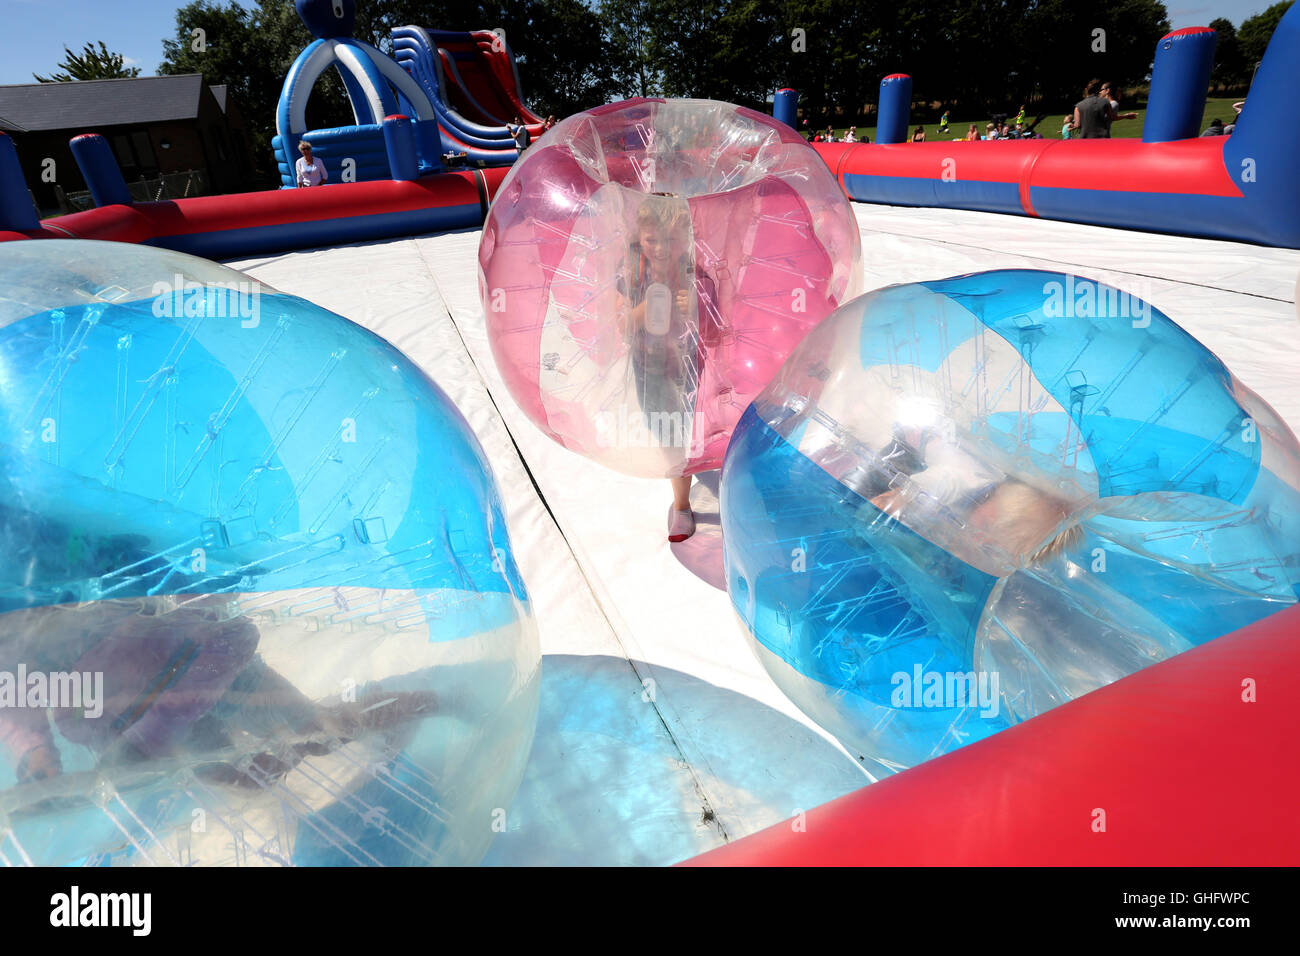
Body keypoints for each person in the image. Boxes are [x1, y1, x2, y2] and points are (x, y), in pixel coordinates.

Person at [617, 196, 721, 542]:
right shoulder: (632, 274)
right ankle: (681, 492)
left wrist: (694, 305)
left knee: (684, 432)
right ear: (640, 239)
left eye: (672, 239)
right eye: (652, 240)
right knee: (666, 432)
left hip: (688, 367)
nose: (662, 248)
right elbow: (619, 326)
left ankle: (681, 505)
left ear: (686, 238)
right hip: (649, 366)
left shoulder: (694, 272)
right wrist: (644, 308)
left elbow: (716, 330)